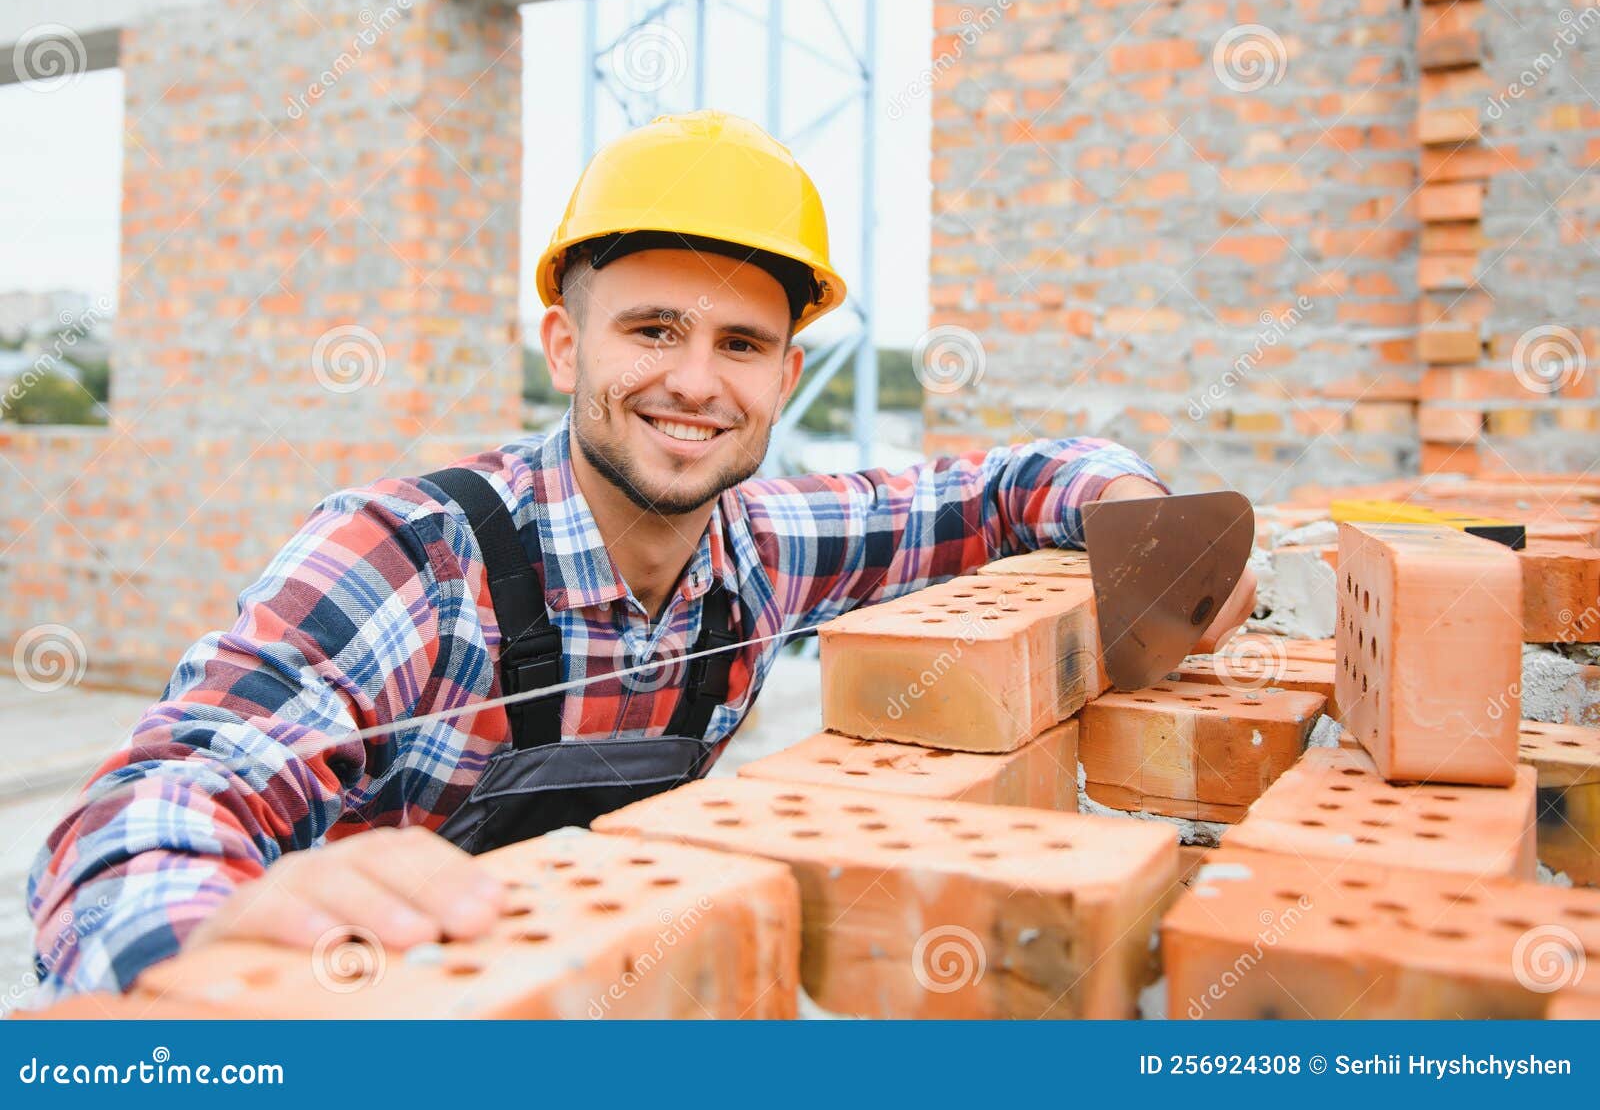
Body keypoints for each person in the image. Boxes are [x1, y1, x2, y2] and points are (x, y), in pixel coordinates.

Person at [26, 110, 1255, 997]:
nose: (691, 381)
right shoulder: (407, 554)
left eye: (737, 342)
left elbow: (999, 489)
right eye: (651, 329)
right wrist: (199, 950)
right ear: (564, 347)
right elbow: (142, 814)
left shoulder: (769, 549)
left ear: (785, 373)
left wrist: (1144, 520)